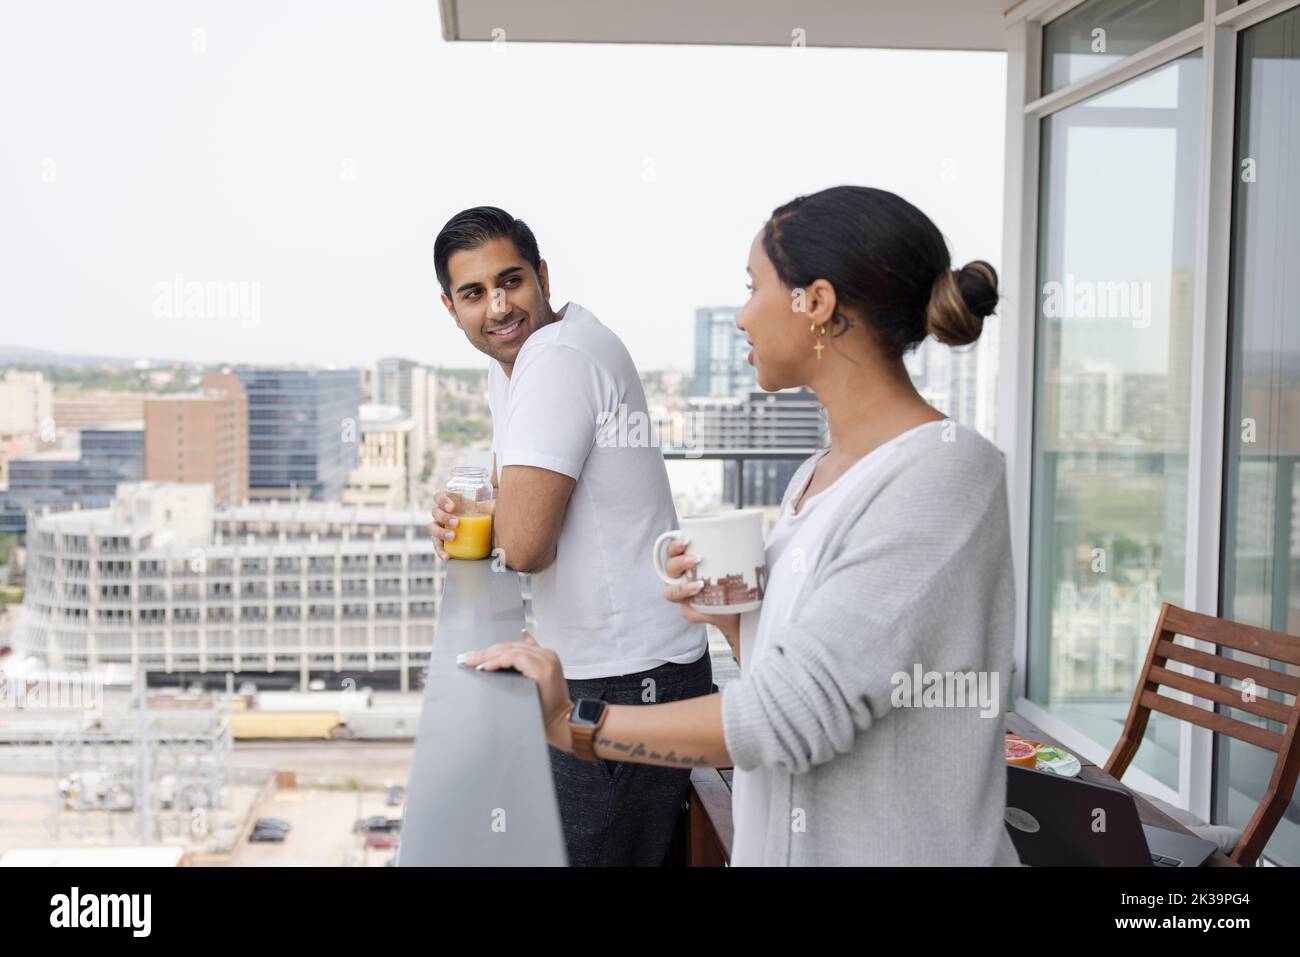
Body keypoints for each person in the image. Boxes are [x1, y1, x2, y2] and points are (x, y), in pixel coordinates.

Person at [459, 186, 1021, 866]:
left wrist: (576, 724)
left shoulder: (945, 475)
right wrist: (731, 619)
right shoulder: (817, 472)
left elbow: (789, 715)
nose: (742, 317)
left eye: (754, 288)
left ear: (815, 303)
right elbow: (812, 671)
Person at [428, 206, 712, 866]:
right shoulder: (526, 363)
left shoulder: (556, 357)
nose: (498, 306)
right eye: (474, 293)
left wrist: (491, 525)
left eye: (512, 281)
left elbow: (525, 546)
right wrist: (459, 513)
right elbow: (514, 505)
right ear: (451, 307)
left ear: (542, 275)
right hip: (615, 666)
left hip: (626, 675)